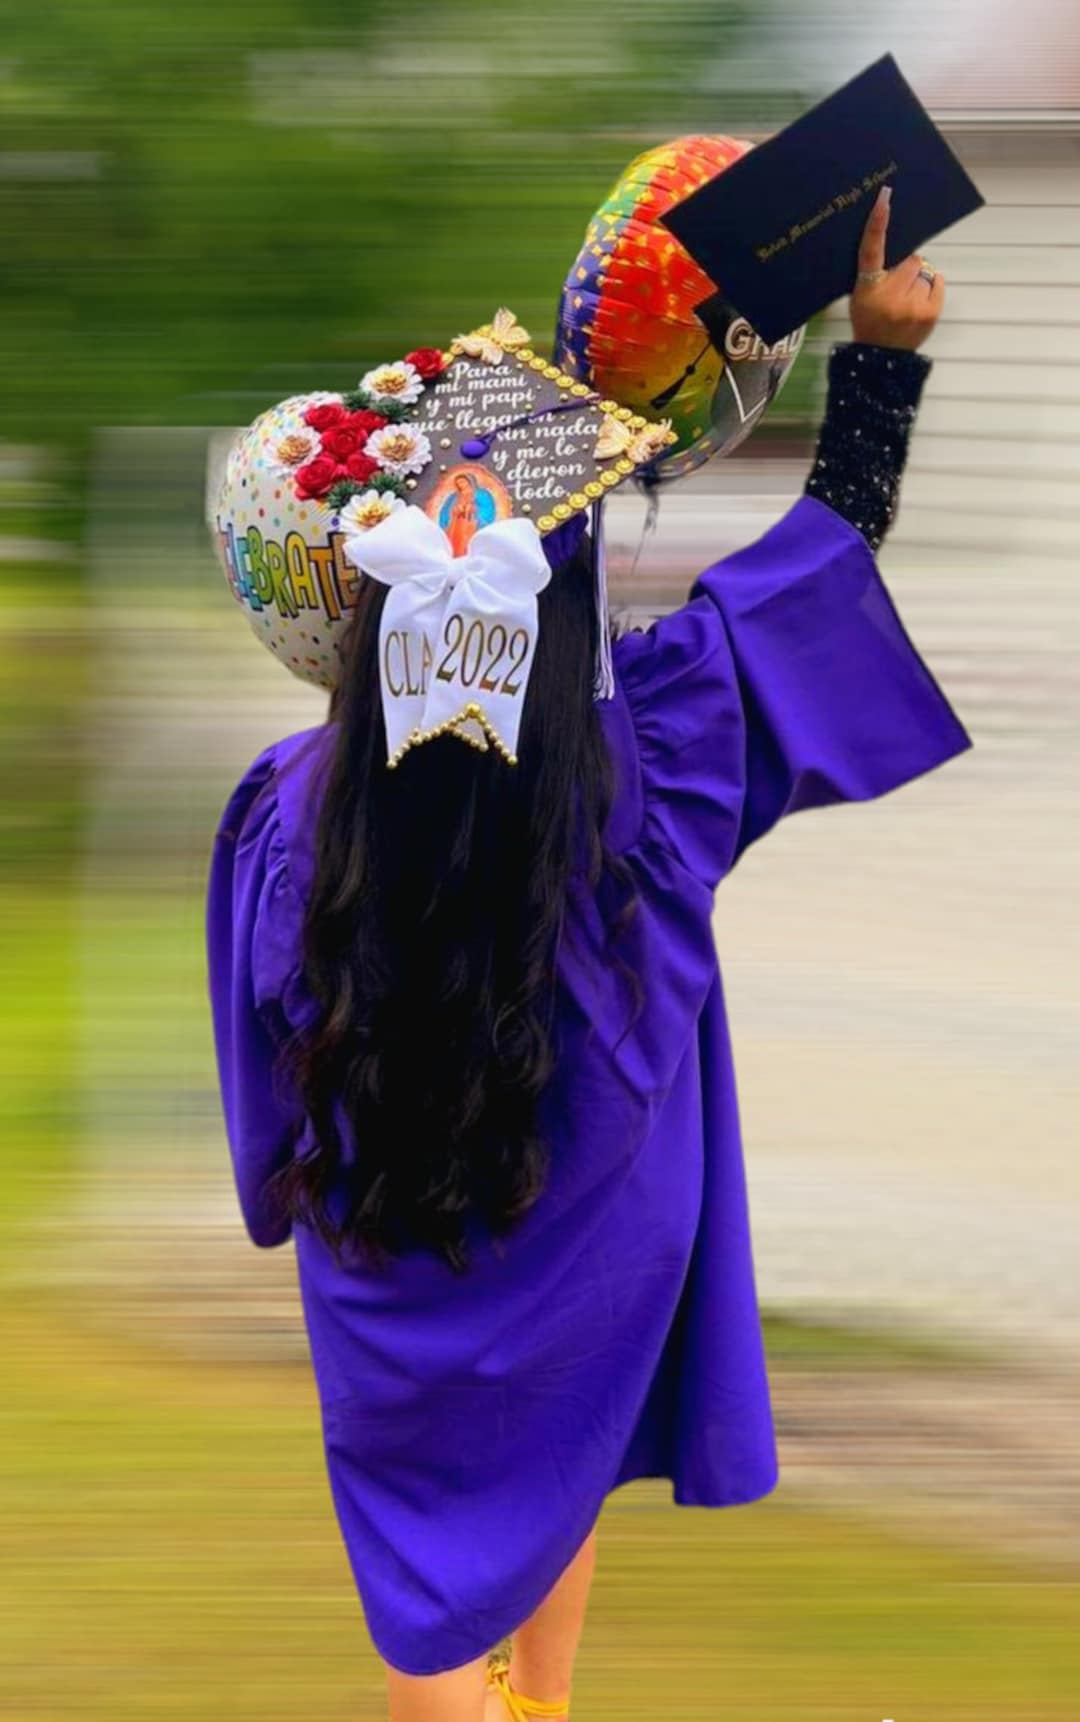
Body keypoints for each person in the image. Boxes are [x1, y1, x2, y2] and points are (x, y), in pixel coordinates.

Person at [205, 184, 970, 1722]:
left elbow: (265, 1086)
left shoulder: (291, 812)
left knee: (428, 1543)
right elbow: (821, 556)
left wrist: (289, 1170)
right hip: (595, 1229)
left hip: (392, 1242)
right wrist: (878, 359)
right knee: (562, 1443)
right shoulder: (655, 765)